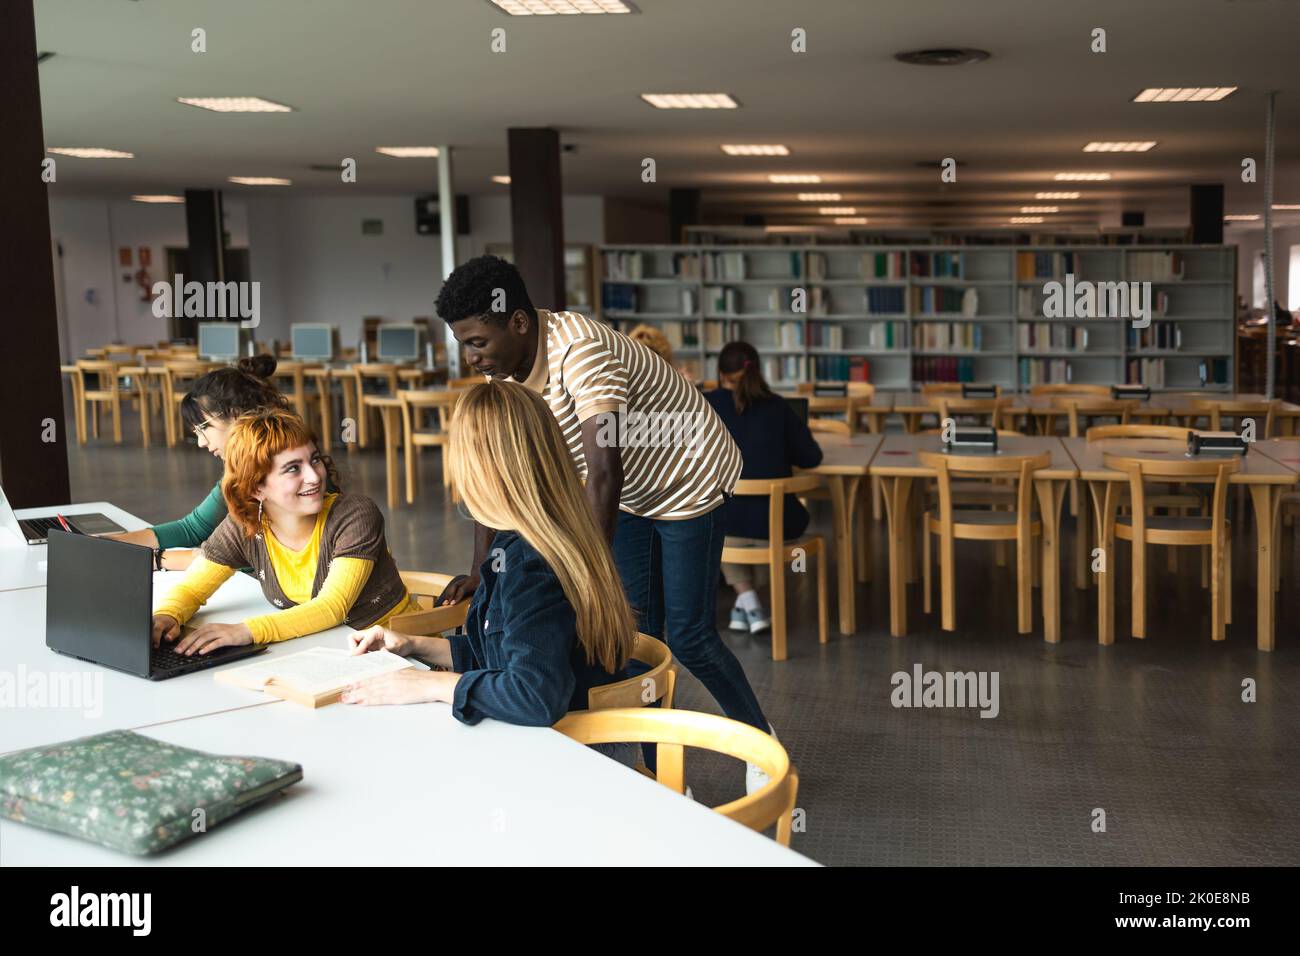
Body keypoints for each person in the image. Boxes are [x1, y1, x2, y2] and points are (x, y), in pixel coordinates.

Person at [433, 256, 773, 791]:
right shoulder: (509, 372)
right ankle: (665, 777)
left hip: (687, 477)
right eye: (464, 344)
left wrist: (584, 573)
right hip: (632, 492)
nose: (471, 357)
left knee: (688, 635)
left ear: (518, 322)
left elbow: (604, 471)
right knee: (634, 638)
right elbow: (501, 477)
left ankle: (762, 741)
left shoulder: (580, 352)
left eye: (477, 342)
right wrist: (480, 570)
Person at [341, 381, 636, 738]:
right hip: (575, 738)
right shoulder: (550, 535)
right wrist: (413, 644)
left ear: (483, 469)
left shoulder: (531, 565)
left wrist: (428, 686)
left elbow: (535, 696)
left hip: (575, 751)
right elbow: (505, 652)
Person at [150, 407, 415, 655]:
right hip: (333, 653)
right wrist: (168, 615)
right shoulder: (246, 525)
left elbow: (331, 608)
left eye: (315, 460)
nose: (314, 476)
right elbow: (193, 588)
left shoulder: (354, 514)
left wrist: (246, 631)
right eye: (293, 469)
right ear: (255, 488)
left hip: (402, 655)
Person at [107, 355, 291, 570]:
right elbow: (192, 529)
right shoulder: (242, 469)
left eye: (203, 428)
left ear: (235, 415)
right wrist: (113, 544)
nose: (201, 442)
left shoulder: (289, 470)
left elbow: (268, 563)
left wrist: (163, 559)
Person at [705, 342, 824, 634]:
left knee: (719, 524)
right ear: (757, 371)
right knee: (748, 522)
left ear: (720, 374)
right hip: (778, 527)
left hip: (725, 528)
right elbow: (812, 457)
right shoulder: (778, 407)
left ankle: (745, 601)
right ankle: (749, 603)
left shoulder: (705, 404)